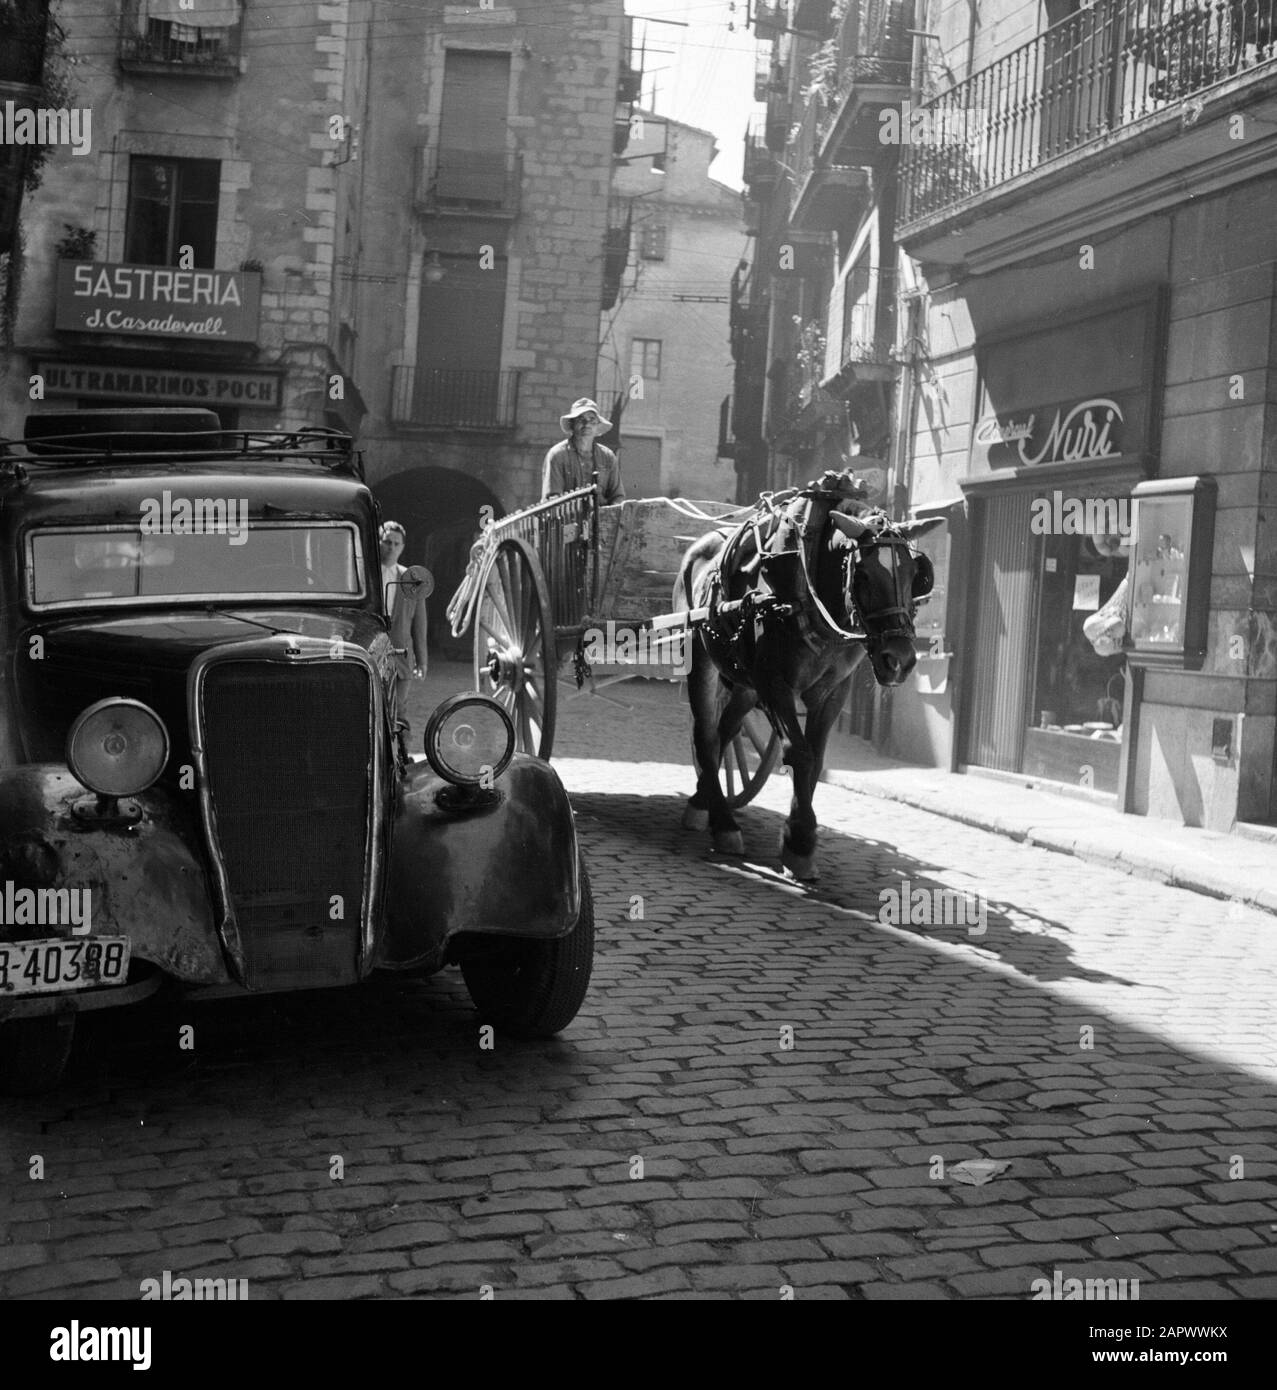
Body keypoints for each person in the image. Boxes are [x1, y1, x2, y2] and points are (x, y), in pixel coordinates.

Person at [379, 520, 429, 737]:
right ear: (379, 542)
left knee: (399, 712)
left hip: (402, 657)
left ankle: (403, 760)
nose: (391, 547)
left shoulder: (411, 579)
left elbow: (419, 623)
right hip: (373, 655)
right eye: (387, 542)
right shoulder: (366, 575)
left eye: (396, 543)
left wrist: (423, 659)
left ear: (402, 547)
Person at [541, 397, 626, 504]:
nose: (587, 424)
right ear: (572, 424)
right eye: (580, 419)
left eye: (592, 419)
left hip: (601, 518)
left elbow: (617, 496)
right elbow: (552, 499)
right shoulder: (558, 455)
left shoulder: (608, 457)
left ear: (597, 426)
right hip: (567, 519)